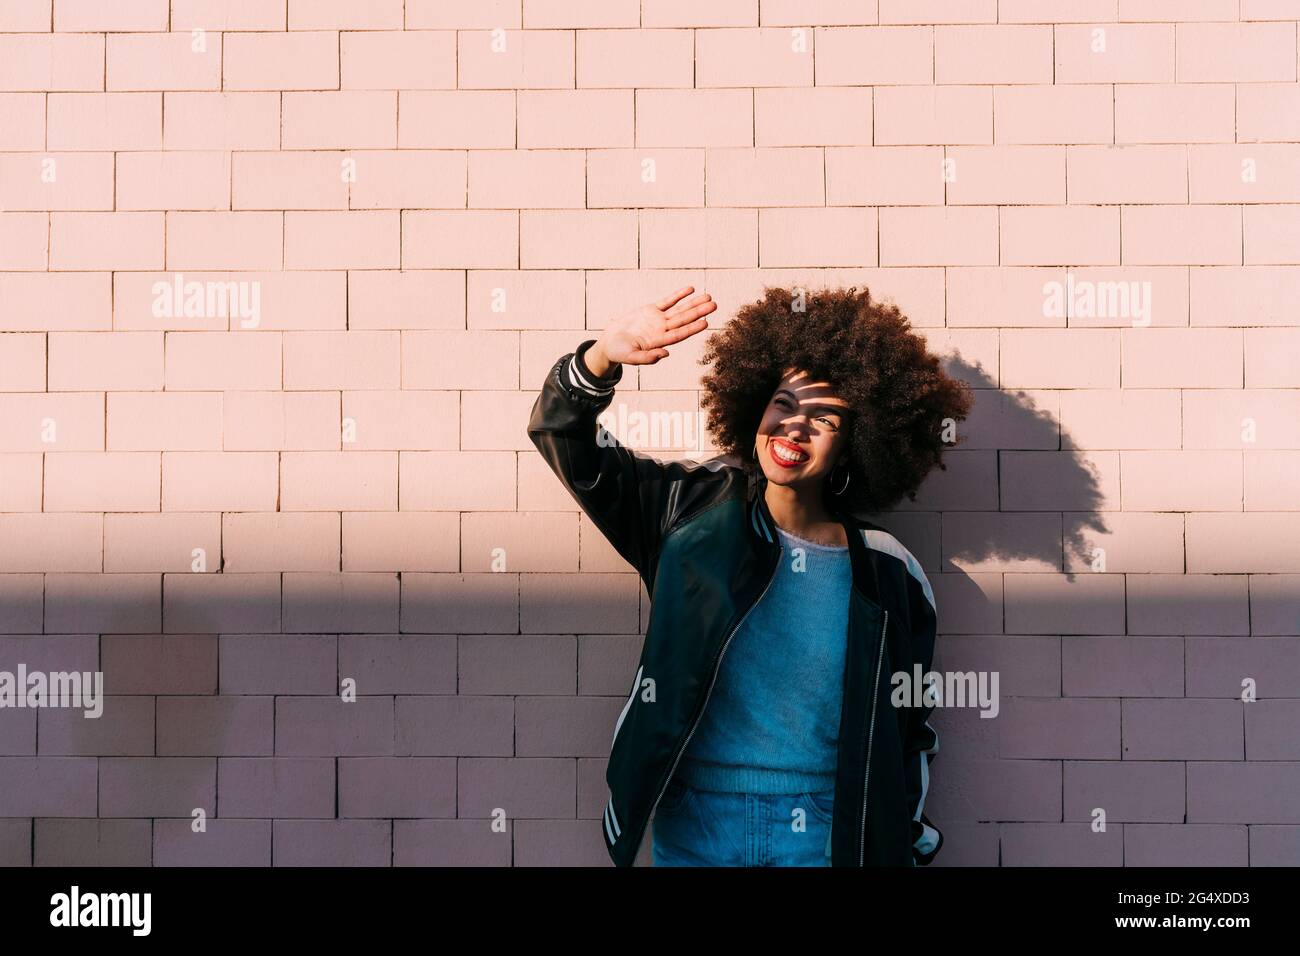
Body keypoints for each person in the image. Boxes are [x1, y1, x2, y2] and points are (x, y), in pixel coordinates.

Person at [527, 284, 973, 866]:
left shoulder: (889, 570)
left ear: (854, 446)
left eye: (825, 419)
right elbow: (562, 437)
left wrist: (907, 840)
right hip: (695, 821)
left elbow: (910, 723)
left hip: (822, 829)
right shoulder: (685, 516)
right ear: (755, 410)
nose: (795, 427)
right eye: (784, 404)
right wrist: (601, 358)